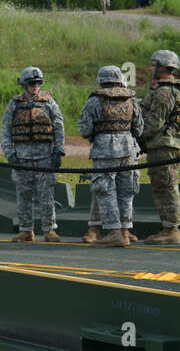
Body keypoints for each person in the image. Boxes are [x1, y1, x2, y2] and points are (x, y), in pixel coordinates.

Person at [76, 66, 142, 248]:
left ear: (101, 80)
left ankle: (114, 233)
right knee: (126, 191)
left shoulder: (95, 101)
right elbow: (139, 128)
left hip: (105, 151)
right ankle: (125, 231)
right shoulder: (131, 100)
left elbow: (84, 129)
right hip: (129, 150)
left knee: (105, 191)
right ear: (119, 79)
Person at [1, 66, 65, 242]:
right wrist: (10, 154)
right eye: (32, 83)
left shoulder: (49, 102)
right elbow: (5, 130)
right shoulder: (14, 104)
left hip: (45, 156)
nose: (35, 86)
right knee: (23, 195)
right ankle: (26, 230)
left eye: (38, 83)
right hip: (21, 157)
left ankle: (49, 230)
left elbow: (59, 126)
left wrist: (58, 151)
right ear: (24, 84)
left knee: (47, 195)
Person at [139, 49, 180, 244]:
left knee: (166, 186)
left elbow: (154, 123)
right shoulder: (169, 89)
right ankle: (169, 227)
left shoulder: (164, 92)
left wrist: (137, 136)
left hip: (163, 146)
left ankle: (171, 229)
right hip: (165, 145)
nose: (150, 68)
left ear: (163, 67)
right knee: (164, 184)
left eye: (153, 64)